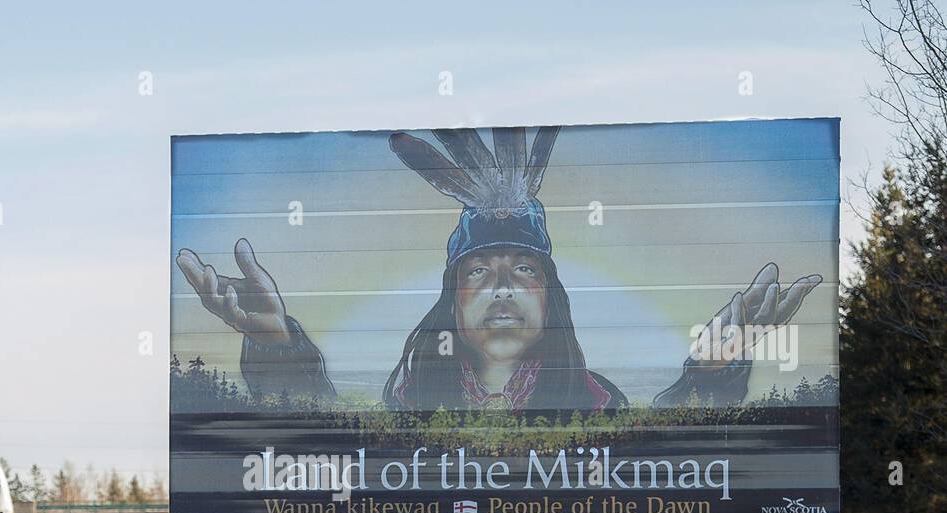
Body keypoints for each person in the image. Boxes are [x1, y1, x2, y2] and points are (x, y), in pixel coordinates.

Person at [176, 126, 822, 412]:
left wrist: (715, 368)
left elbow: (667, 461)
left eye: (524, 269)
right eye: (480, 271)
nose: (504, 286)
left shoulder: (597, 406)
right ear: (452, 299)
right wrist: (276, 347)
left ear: (552, 296)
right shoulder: (407, 405)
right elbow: (329, 446)